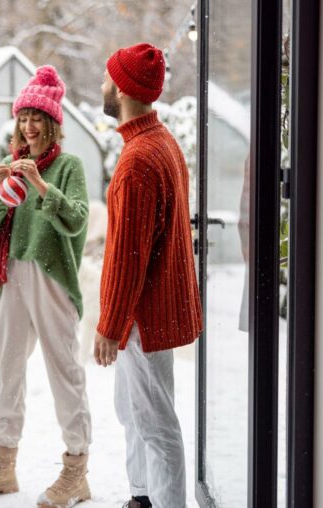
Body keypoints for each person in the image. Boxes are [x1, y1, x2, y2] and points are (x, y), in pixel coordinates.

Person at [0, 65, 92, 508]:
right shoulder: (12, 164)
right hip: (10, 273)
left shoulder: (68, 166)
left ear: (52, 123)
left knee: (64, 371)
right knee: (8, 371)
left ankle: (76, 470)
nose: (29, 126)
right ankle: (3, 464)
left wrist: (38, 183)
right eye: (23, 117)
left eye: (37, 118)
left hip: (50, 278)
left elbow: (77, 220)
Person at [93, 43, 204, 508]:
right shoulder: (159, 141)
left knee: (156, 423)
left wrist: (110, 325)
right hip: (151, 309)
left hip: (143, 314)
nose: (102, 83)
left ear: (121, 89)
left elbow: (128, 256)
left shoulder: (138, 160)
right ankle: (143, 497)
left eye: (107, 77)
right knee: (134, 412)